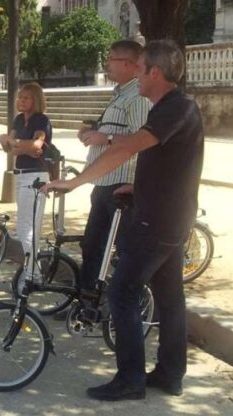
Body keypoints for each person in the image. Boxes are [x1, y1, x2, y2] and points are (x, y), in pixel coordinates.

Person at [43, 39, 204, 401]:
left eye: (141, 68)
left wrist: (74, 181)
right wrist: (137, 184)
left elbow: (125, 148)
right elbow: (170, 162)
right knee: (169, 297)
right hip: (168, 215)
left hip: (156, 221)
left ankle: (131, 380)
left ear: (154, 72)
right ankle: (169, 373)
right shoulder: (174, 107)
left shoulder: (173, 108)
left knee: (122, 293)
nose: (136, 75)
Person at [75, 40, 151, 294]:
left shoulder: (137, 98)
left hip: (121, 184)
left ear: (129, 64)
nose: (107, 64)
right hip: (103, 182)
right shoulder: (119, 94)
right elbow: (117, 132)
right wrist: (94, 133)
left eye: (112, 59)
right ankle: (87, 302)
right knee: (92, 245)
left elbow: (141, 140)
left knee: (120, 249)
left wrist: (105, 138)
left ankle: (128, 302)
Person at [0, 83, 52, 280]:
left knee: (26, 228)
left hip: (35, 176)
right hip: (20, 174)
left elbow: (38, 146)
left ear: (36, 100)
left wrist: (17, 144)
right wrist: (10, 143)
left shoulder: (41, 120)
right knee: (25, 227)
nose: (21, 101)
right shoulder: (19, 120)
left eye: (26, 98)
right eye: (20, 97)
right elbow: (10, 148)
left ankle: (33, 273)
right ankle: (32, 271)